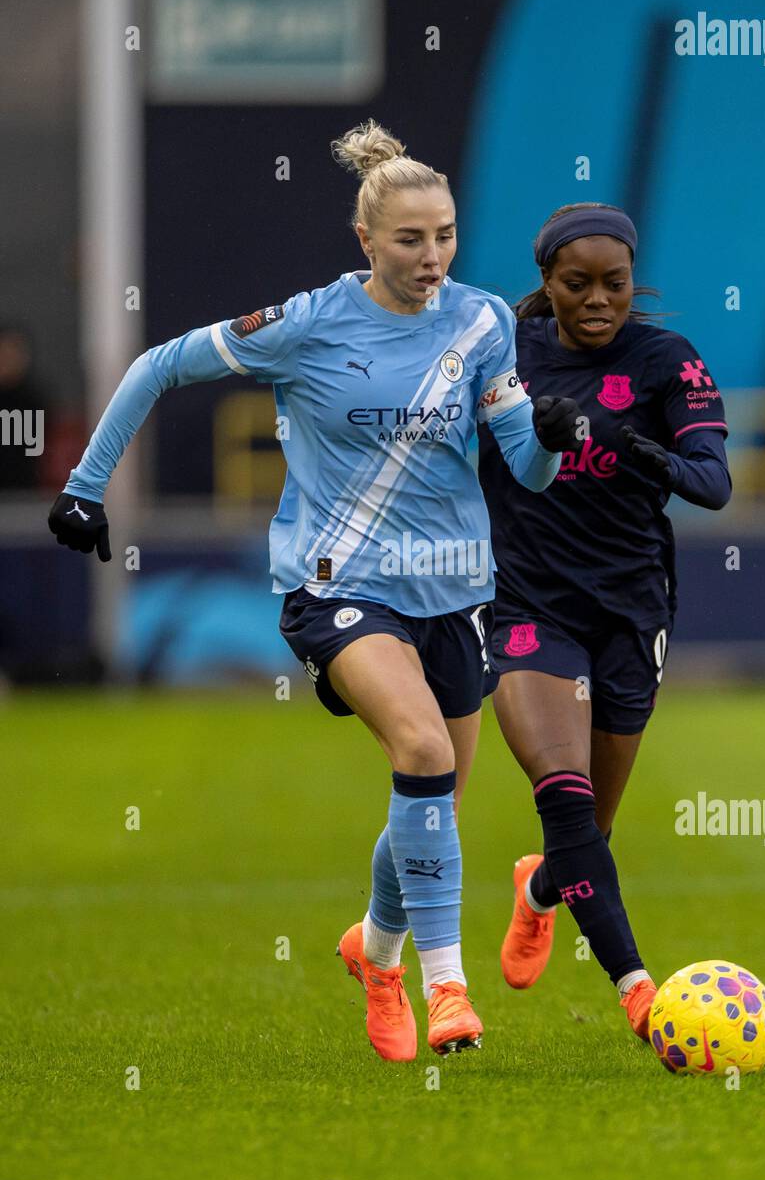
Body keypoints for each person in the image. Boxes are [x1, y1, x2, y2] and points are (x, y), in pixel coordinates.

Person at [48, 120, 583, 1062]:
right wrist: (86, 488)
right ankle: (445, 988)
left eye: (446, 235)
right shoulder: (306, 323)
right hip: (336, 585)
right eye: (410, 239)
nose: (431, 257)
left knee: (435, 802)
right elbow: (156, 366)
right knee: (418, 745)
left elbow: (526, 471)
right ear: (367, 240)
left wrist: (551, 434)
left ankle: (375, 953)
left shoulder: (486, 322)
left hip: (456, 591)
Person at [477, 202, 731, 1040]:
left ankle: (541, 889)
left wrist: (634, 446)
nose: (596, 300)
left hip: (630, 608)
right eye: (575, 284)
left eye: (613, 284)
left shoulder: (665, 361)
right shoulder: (501, 356)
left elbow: (711, 483)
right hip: (526, 605)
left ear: (632, 282)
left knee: (592, 833)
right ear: (546, 284)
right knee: (566, 798)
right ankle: (639, 992)